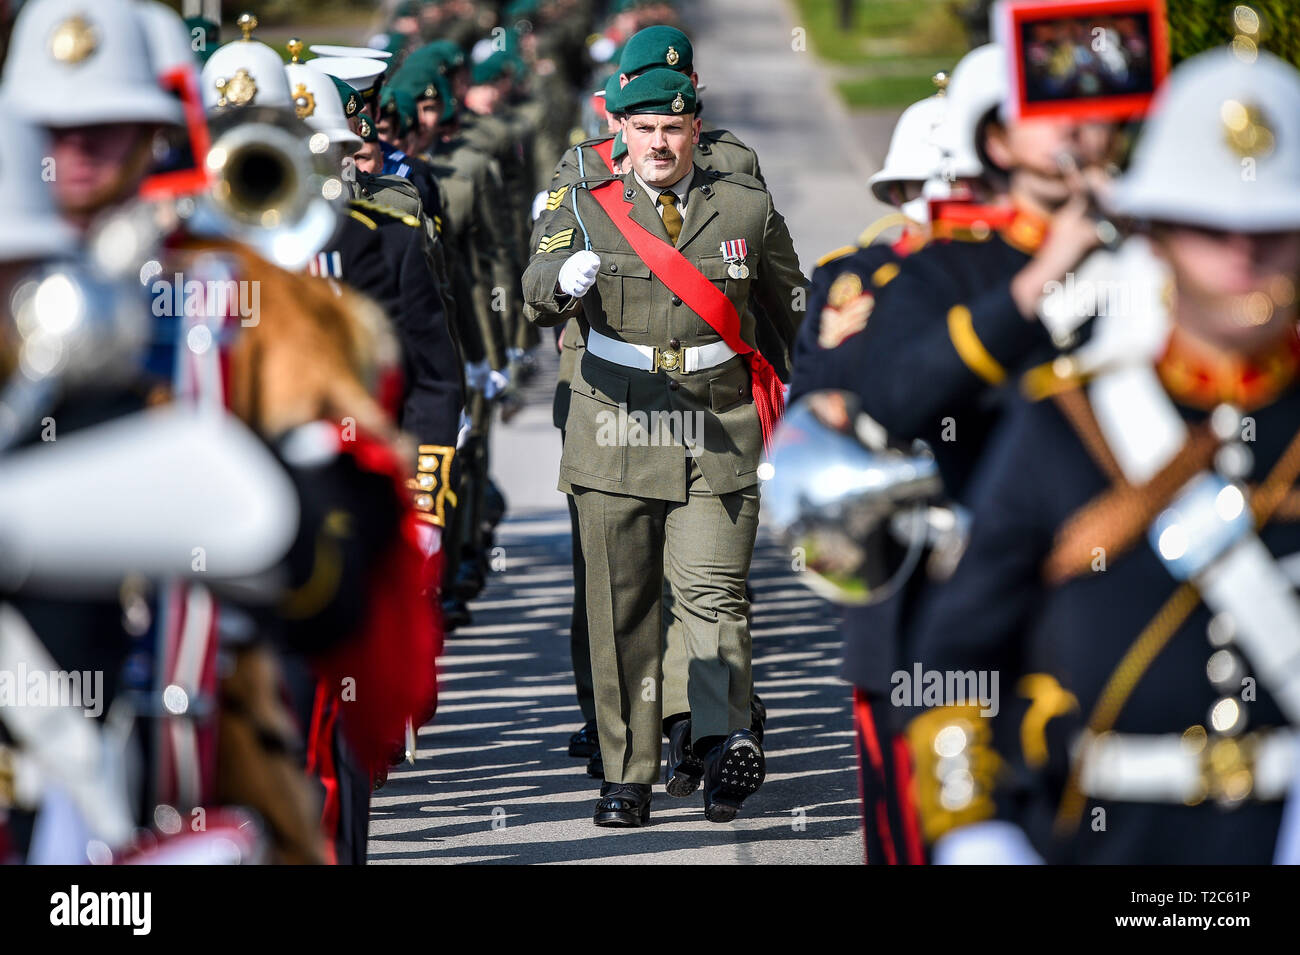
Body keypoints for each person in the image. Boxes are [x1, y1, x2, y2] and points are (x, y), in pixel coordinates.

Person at [905, 46, 1300, 865]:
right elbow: (954, 663)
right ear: (1154, 231)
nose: (1242, 255)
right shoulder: (1067, 422)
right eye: (1207, 224)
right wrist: (974, 833)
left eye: (1272, 228)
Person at [523, 69, 805, 826]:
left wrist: (828, 395)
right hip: (615, 428)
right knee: (624, 609)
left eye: (673, 129)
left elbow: (791, 311)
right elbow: (536, 280)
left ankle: (717, 743)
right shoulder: (584, 205)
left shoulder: (743, 204)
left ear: (694, 130)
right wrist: (562, 279)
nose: (659, 142)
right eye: (644, 128)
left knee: (715, 597)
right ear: (620, 131)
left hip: (716, 429)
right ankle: (626, 773)